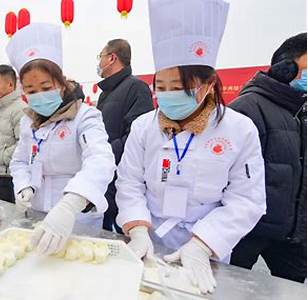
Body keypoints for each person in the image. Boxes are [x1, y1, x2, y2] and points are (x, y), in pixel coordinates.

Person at [115, 0, 266, 294]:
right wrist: (137, 229)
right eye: (162, 85)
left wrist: (202, 244)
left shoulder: (238, 129)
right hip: (147, 240)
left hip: (206, 250)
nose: (169, 95)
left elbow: (246, 200)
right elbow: (129, 181)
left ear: (209, 84)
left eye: (181, 86)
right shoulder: (144, 126)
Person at [7, 23, 116, 255]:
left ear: (61, 83)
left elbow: (101, 159)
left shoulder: (85, 116)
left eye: (46, 86)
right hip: (36, 212)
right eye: (31, 90)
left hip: (76, 218)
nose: (39, 95)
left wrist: (70, 205)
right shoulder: (28, 121)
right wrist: (22, 186)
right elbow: (19, 161)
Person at [229, 33, 307, 283]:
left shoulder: (301, 111)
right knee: (228, 288)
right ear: (286, 67)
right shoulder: (247, 108)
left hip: (292, 232)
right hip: (246, 230)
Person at [96, 39, 154, 232]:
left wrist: (105, 152)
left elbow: (136, 136)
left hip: (123, 178)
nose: (99, 62)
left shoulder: (136, 88)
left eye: (100, 57)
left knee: (124, 234)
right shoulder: (107, 92)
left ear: (112, 58)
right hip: (103, 174)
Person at [0, 65, 27, 203]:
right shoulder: (2, 109)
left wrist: (4, 157)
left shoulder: (20, 109)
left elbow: (24, 143)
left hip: (8, 175)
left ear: (10, 84)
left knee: (8, 216)